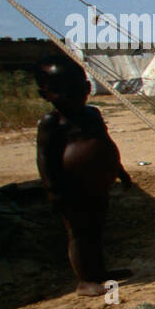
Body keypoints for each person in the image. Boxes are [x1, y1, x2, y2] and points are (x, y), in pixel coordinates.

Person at [34, 53, 133, 296]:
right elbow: (45, 158)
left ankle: (100, 271)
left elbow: (105, 143)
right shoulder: (52, 122)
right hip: (72, 189)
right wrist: (53, 191)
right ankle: (85, 280)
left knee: (96, 229)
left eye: (75, 88)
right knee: (79, 234)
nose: (69, 94)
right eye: (59, 89)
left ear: (88, 87)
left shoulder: (92, 114)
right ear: (44, 94)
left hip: (98, 184)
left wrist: (120, 171)